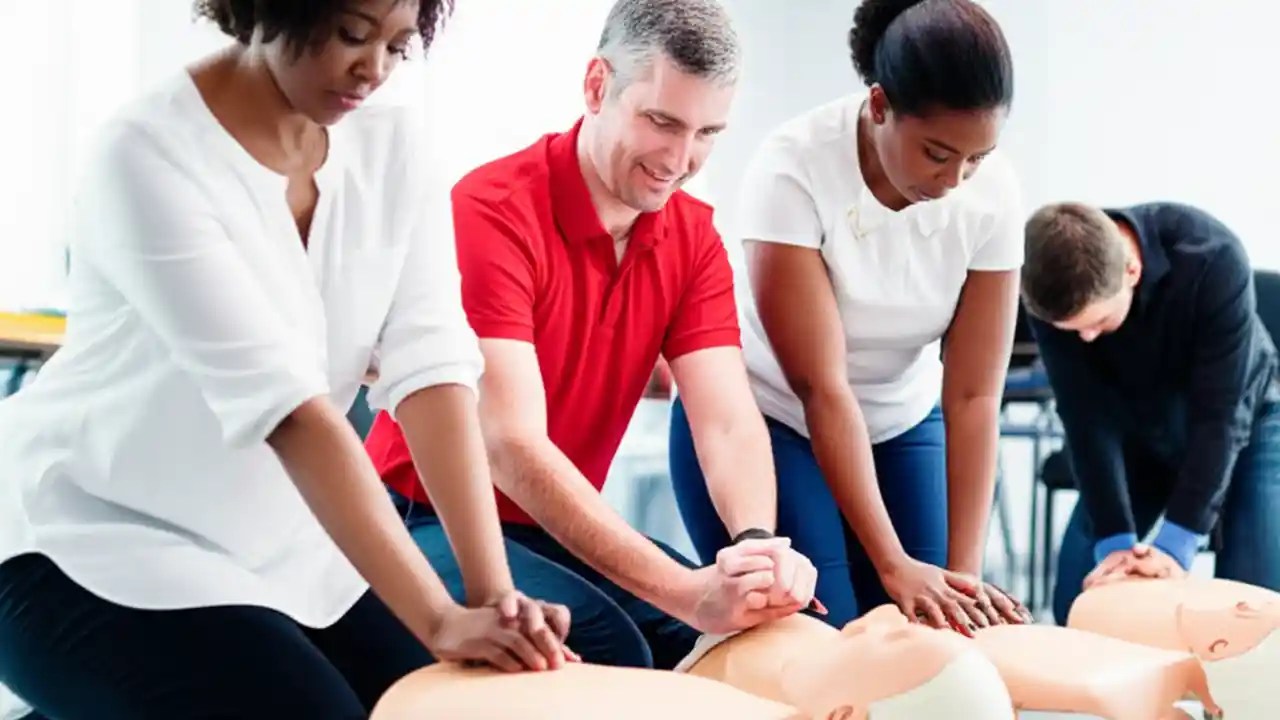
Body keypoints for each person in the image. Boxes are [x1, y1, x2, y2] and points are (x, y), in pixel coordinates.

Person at [0, 2, 573, 718]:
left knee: (456, 702)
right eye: (352, 35)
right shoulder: (147, 153)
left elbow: (432, 370)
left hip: (291, 547)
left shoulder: (393, 146)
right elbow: (293, 413)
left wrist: (493, 599)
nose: (374, 69)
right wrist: (438, 618)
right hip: (93, 543)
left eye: (399, 46)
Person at [363, 0, 819, 671]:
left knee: (757, 641)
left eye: (706, 132)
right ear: (597, 85)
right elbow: (510, 446)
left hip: (549, 533)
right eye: (662, 121)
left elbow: (725, 420)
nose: (680, 158)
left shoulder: (691, 235)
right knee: (617, 647)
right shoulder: (491, 210)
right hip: (420, 517)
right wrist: (690, 595)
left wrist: (755, 550)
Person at [669, 0, 1033, 633]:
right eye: (937, 154)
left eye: (976, 159)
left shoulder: (992, 193)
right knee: (829, 636)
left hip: (901, 418)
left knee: (939, 630)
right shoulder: (794, 167)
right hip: (772, 418)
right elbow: (821, 386)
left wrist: (962, 579)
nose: (955, 181)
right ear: (879, 106)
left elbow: (974, 395)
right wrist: (892, 563)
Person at [1020, 201, 1280, 624]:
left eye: (1098, 322)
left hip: (1246, 424)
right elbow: (1085, 419)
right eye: (1073, 329)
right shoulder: (1048, 286)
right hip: (1136, 431)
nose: (1084, 338)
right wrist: (1115, 543)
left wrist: (1176, 546)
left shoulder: (1214, 258)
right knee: (1079, 591)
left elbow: (1221, 419)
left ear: (1131, 272)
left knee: (1253, 607)